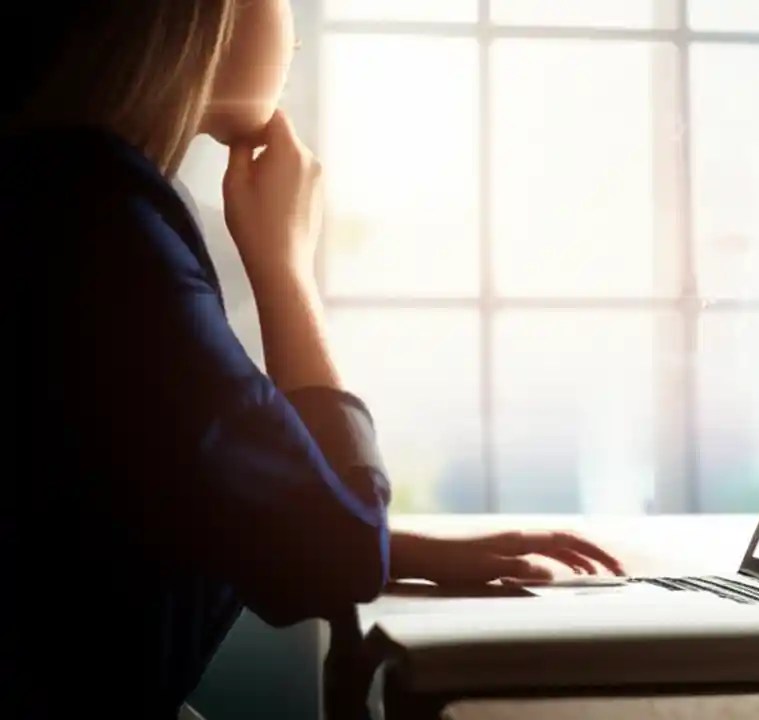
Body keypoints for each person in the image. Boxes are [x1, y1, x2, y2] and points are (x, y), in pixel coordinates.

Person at [0, 1, 624, 716]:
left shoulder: (61, 192)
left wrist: (403, 548)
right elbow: (330, 562)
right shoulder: (103, 230)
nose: (292, 36)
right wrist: (287, 269)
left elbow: (187, 503)